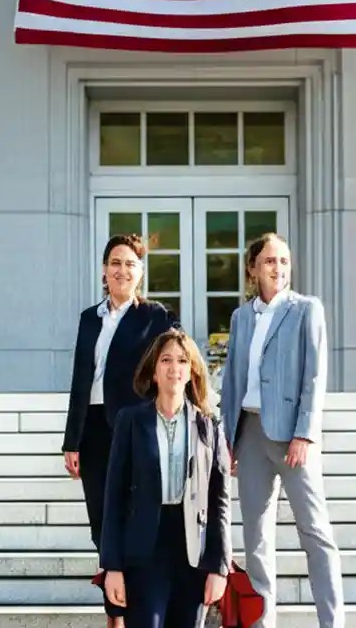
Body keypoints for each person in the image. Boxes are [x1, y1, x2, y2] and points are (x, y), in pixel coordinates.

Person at [218, 233, 344, 628]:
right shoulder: (241, 317)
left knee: (315, 532)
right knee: (256, 538)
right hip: (251, 433)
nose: (279, 269)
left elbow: (315, 375)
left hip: (293, 437)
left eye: (284, 261)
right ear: (253, 269)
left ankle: (332, 622)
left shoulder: (307, 310)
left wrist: (305, 433)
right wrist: (228, 437)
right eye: (270, 261)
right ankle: (262, 623)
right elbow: (234, 381)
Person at [61, 233, 178, 626]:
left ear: (140, 273)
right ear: (103, 271)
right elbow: (80, 380)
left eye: (130, 263)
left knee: (134, 519)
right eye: (115, 262)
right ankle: (116, 616)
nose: (122, 270)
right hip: (94, 432)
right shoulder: (88, 319)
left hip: (136, 429)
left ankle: (140, 610)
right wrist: (71, 440)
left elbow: (173, 366)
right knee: (102, 524)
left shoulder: (155, 317)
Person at [99, 328, 231, 628]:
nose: (175, 368)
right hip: (144, 551)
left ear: (191, 371)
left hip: (192, 553)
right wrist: (112, 567)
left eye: (182, 361)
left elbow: (219, 502)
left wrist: (219, 567)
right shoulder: (130, 421)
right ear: (154, 372)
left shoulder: (208, 425)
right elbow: (114, 497)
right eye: (166, 360)